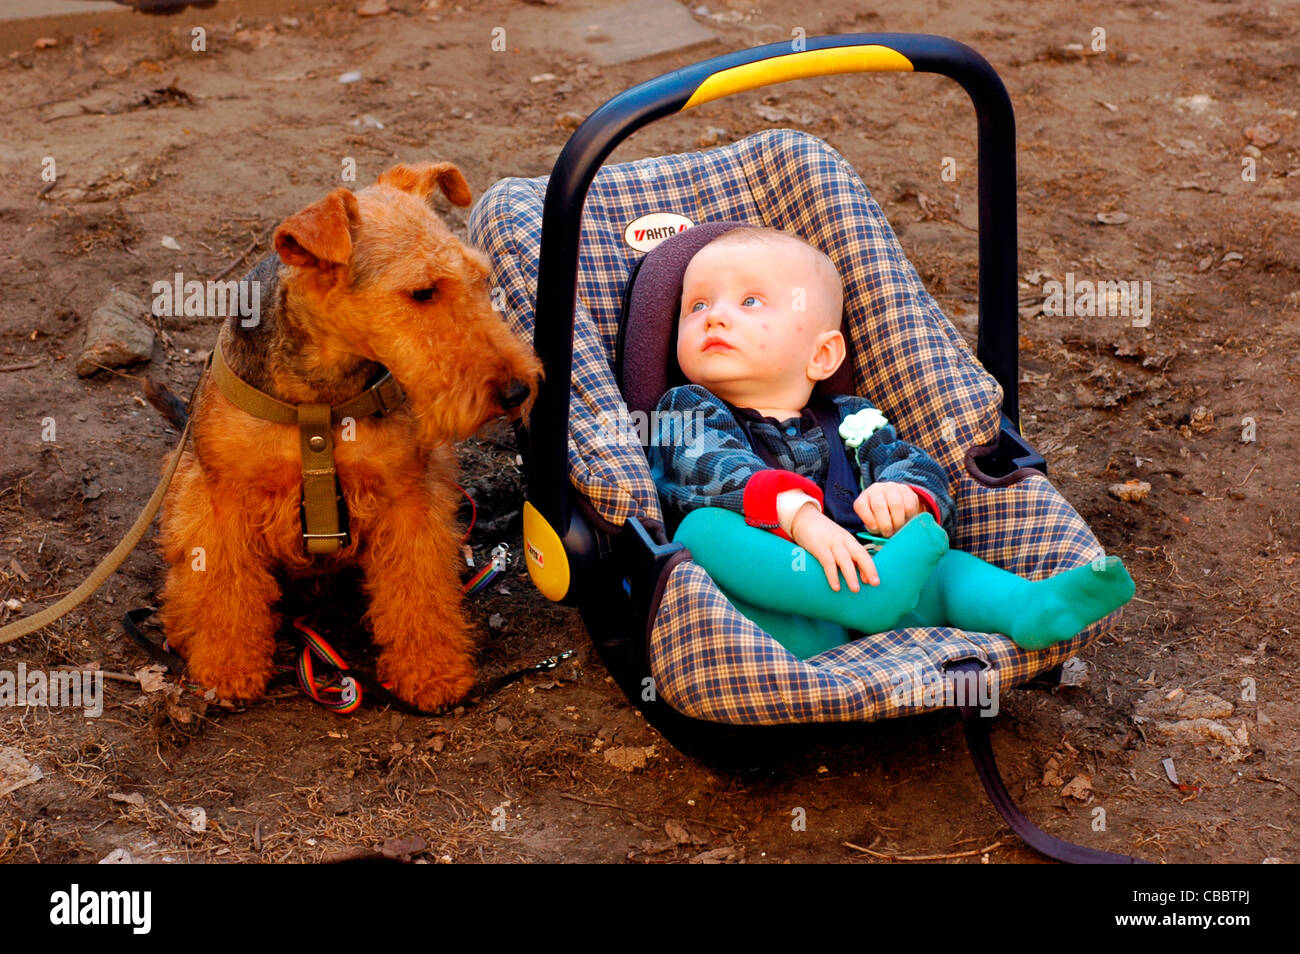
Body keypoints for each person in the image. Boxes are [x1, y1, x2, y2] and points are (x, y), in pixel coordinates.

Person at [646, 226, 1135, 658]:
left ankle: (1028, 607)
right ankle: (865, 606)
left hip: (875, 578)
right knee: (702, 532)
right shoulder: (686, 408)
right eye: (698, 305)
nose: (714, 318)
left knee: (945, 566)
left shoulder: (851, 420)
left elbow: (916, 466)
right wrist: (800, 517)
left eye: (749, 302)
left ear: (822, 354)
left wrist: (904, 497)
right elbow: (708, 466)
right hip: (771, 615)